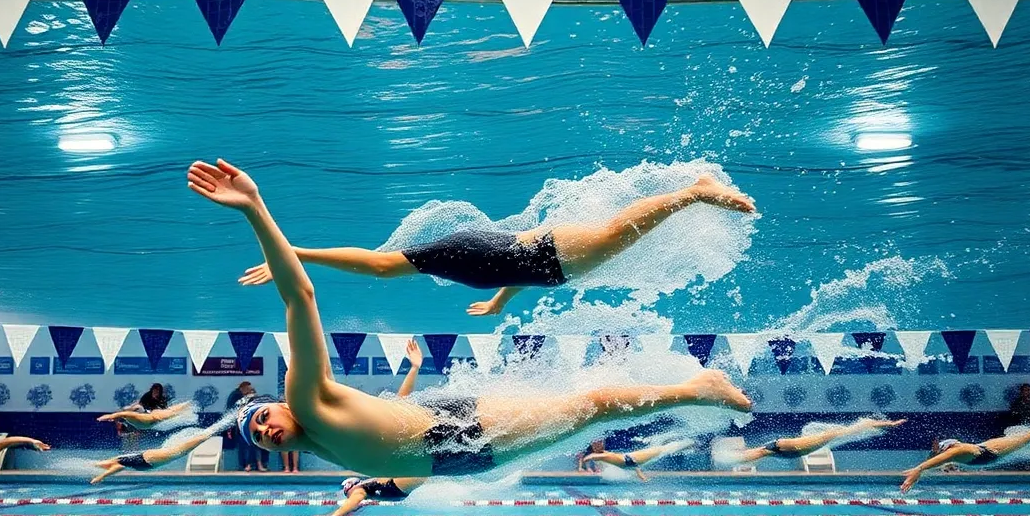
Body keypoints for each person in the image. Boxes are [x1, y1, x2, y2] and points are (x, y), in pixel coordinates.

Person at [188, 158, 751, 479]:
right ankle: (691, 387)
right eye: (257, 434)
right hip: (455, 445)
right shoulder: (325, 447)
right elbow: (390, 453)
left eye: (260, 417)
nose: (262, 427)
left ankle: (695, 380)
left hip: (455, 425)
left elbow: (301, 298)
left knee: (591, 405)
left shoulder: (309, 400)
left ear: (280, 404)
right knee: (584, 415)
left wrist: (258, 213)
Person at [237, 175, 754, 317]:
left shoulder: (458, 258)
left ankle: (693, 193)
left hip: (534, 255)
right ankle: (691, 195)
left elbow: (377, 264)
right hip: (524, 260)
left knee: (618, 235)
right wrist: (501, 300)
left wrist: (294, 254)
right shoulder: (470, 262)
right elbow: (513, 269)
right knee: (616, 239)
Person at [328, 339, 427, 516]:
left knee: (400, 414)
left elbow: (353, 502)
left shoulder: (365, 486)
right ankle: (415, 368)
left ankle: (414, 368)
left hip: (405, 477)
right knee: (401, 414)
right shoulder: (361, 489)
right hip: (403, 478)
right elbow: (353, 502)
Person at [900, 415, 1030, 492]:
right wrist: (918, 471)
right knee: (1029, 436)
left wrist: (919, 469)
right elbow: (935, 459)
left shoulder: (958, 451)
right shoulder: (952, 451)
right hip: (986, 450)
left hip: (990, 451)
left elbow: (937, 460)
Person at [727, 418, 906, 467]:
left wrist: (886, 425)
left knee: (761, 452)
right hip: (791, 448)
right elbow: (864, 425)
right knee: (761, 452)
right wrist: (888, 424)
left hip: (789, 448)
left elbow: (864, 425)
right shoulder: (833, 434)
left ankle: (731, 457)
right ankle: (731, 458)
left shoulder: (827, 436)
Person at [90, 428, 220, 484]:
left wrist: (100, 475)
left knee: (119, 463)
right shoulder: (179, 449)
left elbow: (116, 465)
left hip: (147, 460)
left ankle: (100, 476)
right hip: (147, 460)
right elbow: (118, 467)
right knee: (117, 460)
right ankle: (95, 467)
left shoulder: (181, 449)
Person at [577, 439, 696, 481]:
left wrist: (641, 475)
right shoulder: (602, 454)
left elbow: (592, 457)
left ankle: (690, 443)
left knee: (661, 450)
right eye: (595, 445)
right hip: (630, 458)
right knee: (660, 450)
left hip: (632, 458)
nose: (597, 446)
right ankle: (686, 443)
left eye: (599, 444)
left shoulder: (601, 455)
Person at [225, 381, 264, 471]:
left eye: (250, 390)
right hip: (241, 425)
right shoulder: (236, 396)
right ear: (243, 388)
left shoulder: (252, 398)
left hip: (251, 425)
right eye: (248, 389)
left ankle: (257, 464)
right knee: (244, 446)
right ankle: (246, 464)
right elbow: (234, 410)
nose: (249, 391)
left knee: (255, 445)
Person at [96, 401, 193, 430]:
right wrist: (111, 417)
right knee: (170, 412)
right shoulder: (130, 417)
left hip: (151, 419)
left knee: (171, 412)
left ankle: (189, 404)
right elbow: (123, 414)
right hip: (149, 420)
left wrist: (109, 416)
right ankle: (188, 405)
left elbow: (123, 413)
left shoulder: (130, 414)